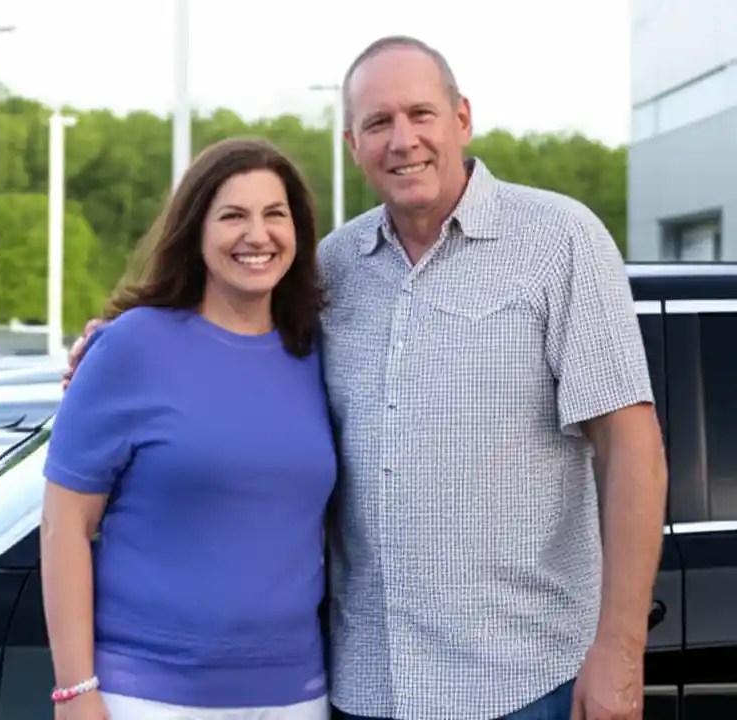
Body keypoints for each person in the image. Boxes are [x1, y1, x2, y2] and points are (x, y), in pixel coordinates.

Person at [62, 35, 668, 720]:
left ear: (462, 118)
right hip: (364, 689)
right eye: (379, 123)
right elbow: (232, 354)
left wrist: (620, 653)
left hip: (525, 685)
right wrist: (112, 348)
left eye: (420, 114)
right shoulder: (330, 270)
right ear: (354, 145)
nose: (403, 140)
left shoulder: (560, 240)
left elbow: (631, 447)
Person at [40, 137, 338, 720]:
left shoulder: (318, 353)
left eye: (274, 215)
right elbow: (64, 526)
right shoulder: (132, 346)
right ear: (195, 231)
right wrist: (74, 692)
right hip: (148, 697)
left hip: (296, 696)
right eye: (233, 216)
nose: (258, 235)